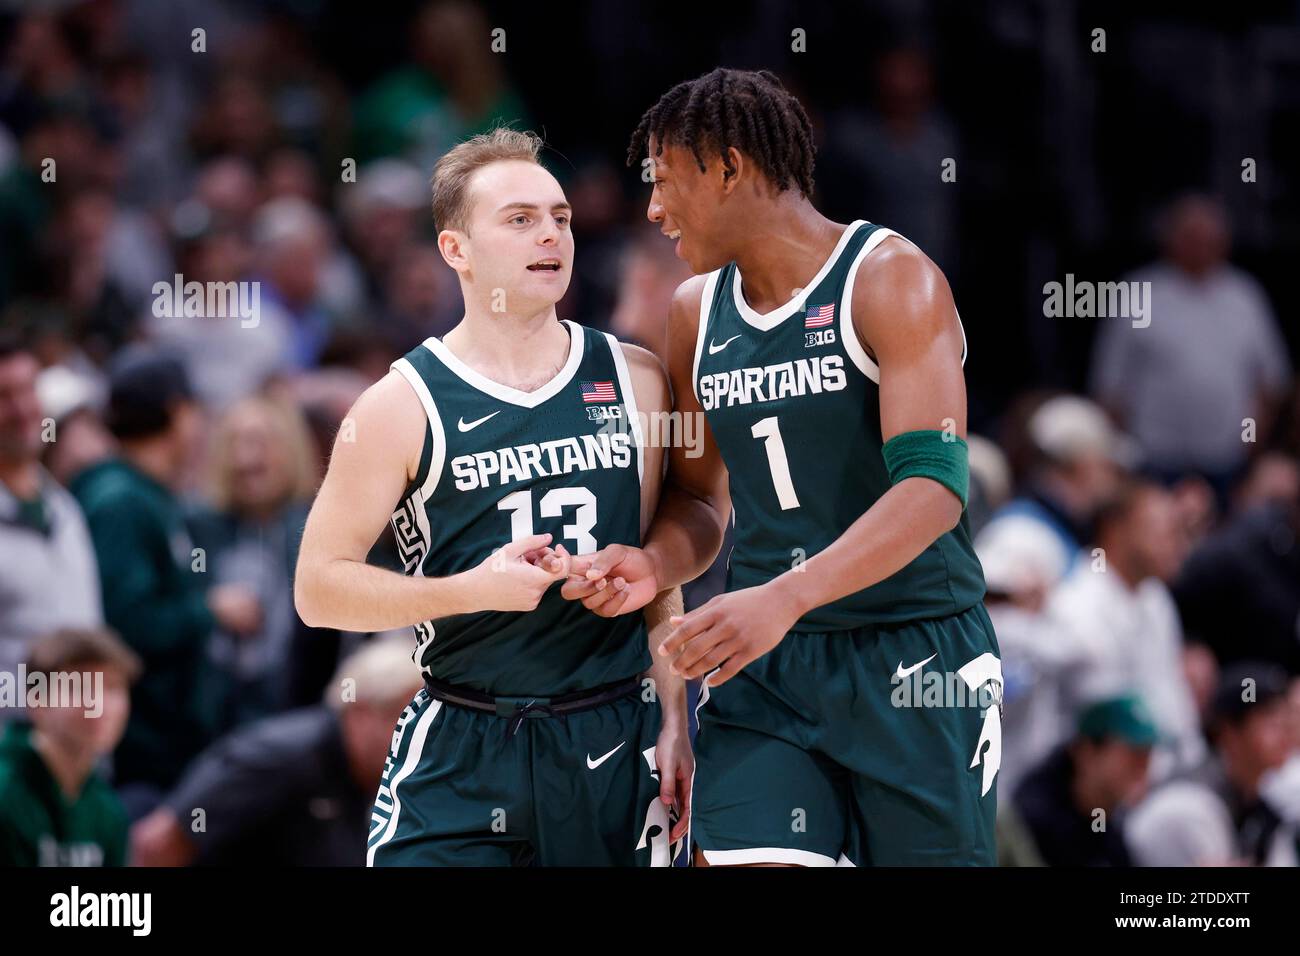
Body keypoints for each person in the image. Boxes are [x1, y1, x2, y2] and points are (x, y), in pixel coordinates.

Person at [564, 68, 1000, 866]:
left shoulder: (890, 279)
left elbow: (934, 489)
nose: (653, 209)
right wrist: (653, 559)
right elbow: (700, 500)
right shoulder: (697, 312)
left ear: (731, 167)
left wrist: (786, 597)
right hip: (768, 667)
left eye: (665, 183)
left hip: (911, 657)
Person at [295, 128, 690, 866]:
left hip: (615, 735)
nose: (551, 234)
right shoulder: (398, 405)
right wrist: (467, 590)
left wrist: (676, 715)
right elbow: (318, 589)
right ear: (456, 251)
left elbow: (662, 566)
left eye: (561, 217)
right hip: (465, 737)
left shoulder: (637, 378)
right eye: (520, 219)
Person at [71, 349, 260, 816]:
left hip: (164, 741)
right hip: (139, 748)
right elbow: (123, 626)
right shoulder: (120, 501)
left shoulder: (146, 493)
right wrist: (209, 611)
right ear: (178, 414)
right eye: (195, 412)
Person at [130, 638, 423, 866]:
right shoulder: (280, 758)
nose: (422, 742)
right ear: (361, 713)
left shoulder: (375, 781)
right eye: (408, 722)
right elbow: (159, 843)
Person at [1090, 195, 1292, 501]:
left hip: (1227, 460)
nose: (1201, 247)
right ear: (1169, 239)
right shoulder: (1138, 292)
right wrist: (1121, 453)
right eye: (1191, 238)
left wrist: (1251, 444)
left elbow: (1270, 383)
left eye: (1210, 239)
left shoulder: (1245, 296)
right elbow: (1110, 385)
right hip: (1154, 458)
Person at [1045, 480, 1204, 778]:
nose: (1178, 544)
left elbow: (1172, 697)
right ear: (1115, 529)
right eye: (1163, 530)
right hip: (1101, 782)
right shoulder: (1076, 605)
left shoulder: (1155, 597)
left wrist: (1194, 764)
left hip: (1169, 768)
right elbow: (1112, 725)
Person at [0, 334, 103, 702]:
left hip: (81, 747)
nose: (21, 410)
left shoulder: (65, 509)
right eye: (4, 396)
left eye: (27, 390)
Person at [0, 628, 140, 866]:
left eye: (112, 687)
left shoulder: (107, 810)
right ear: (37, 700)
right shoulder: (7, 794)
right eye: (80, 689)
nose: (99, 705)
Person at [1013, 695, 1156, 867]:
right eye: (1134, 754)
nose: (1143, 767)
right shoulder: (1029, 823)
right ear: (1087, 753)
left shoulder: (1101, 816)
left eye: (1148, 755)